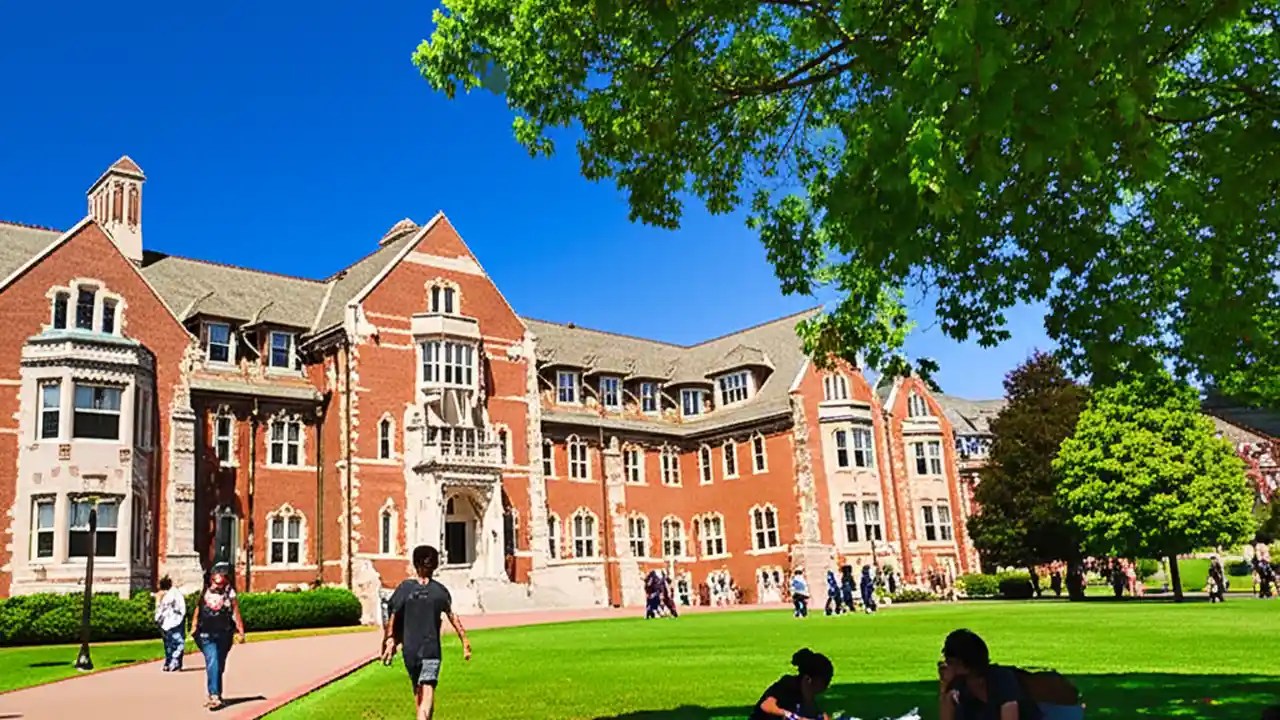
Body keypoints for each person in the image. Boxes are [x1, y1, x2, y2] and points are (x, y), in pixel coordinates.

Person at [382, 545, 472, 720]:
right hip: (430, 649)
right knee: (427, 691)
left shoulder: (405, 589)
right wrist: (465, 640)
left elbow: (393, 614)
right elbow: (452, 615)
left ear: (415, 564)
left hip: (410, 650)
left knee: (420, 691)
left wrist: (390, 639)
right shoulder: (439, 591)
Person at [939, 629, 1043, 720]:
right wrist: (944, 686)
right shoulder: (959, 684)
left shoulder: (1002, 679)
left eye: (951, 662)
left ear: (965, 663)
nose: (947, 666)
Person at [190, 568, 245, 710]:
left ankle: (216, 693)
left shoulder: (229, 593)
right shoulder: (205, 592)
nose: (217, 585)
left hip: (224, 634)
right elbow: (198, 609)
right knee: (212, 660)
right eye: (215, 581)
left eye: (220, 582)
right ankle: (214, 695)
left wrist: (241, 631)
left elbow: (235, 611)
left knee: (219, 664)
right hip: (206, 634)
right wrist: (193, 626)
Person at [750, 648, 834, 720]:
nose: (826, 686)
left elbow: (815, 713)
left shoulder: (807, 694)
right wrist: (791, 716)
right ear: (808, 679)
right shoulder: (787, 685)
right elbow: (766, 705)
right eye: (825, 681)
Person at [154, 575, 186, 672]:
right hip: (168, 623)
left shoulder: (173, 595)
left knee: (176, 643)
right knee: (169, 644)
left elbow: (180, 609)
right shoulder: (165, 595)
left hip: (174, 622)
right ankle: (170, 662)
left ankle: (174, 662)